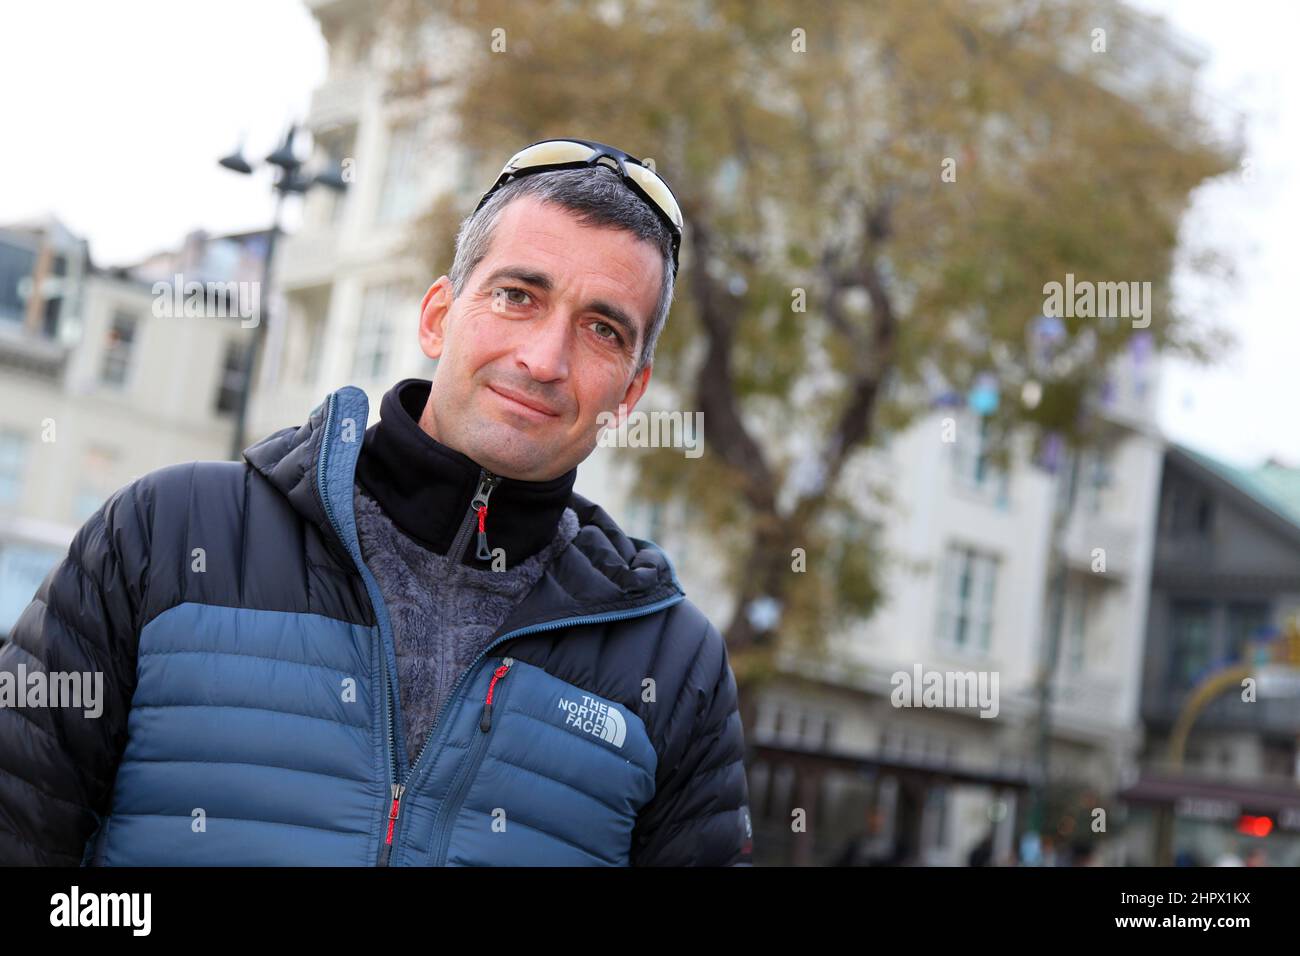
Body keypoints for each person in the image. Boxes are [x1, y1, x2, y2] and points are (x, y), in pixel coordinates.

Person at [0, 138, 753, 867]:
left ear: (632, 390)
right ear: (436, 316)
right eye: (517, 296)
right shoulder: (165, 535)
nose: (544, 359)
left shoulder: (674, 663)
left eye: (601, 329)